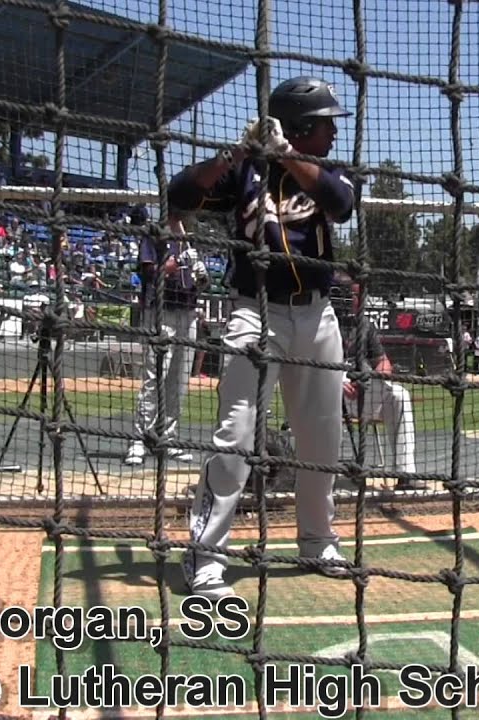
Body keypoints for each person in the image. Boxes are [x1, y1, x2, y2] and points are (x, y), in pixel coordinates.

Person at [168, 76, 355, 600]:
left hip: (318, 318)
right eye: (323, 124)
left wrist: (289, 154)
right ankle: (205, 556)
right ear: (299, 124)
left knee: (321, 441)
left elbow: (341, 203)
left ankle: (317, 541)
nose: (333, 132)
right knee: (235, 436)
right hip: (256, 315)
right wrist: (235, 154)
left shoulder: (325, 172)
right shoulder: (245, 174)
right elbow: (179, 195)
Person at [123, 205, 207, 466]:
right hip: (162, 312)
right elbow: (150, 273)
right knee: (153, 377)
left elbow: (199, 281)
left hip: (188, 312)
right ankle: (139, 439)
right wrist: (179, 262)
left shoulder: (188, 240)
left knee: (179, 381)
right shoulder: (154, 234)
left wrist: (200, 273)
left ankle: (167, 438)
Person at [333, 277, 426, 492]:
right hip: (332, 395)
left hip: (364, 389)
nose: (359, 300)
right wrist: (337, 382)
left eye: (359, 295)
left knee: (400, 395)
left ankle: (405, 474)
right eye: (355, 295)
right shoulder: (326, 322)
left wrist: (375, 376)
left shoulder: (365, 325)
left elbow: (383, 362)